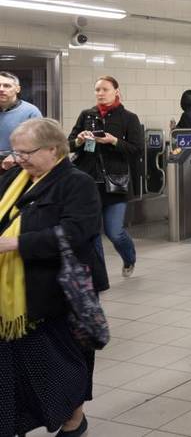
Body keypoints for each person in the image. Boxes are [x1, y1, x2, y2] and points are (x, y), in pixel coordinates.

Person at [0, 118, 108, 437]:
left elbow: (77, 233)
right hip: (14, 294)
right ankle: (14, 420)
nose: (18, 159)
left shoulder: (77, 182)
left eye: (25, 153)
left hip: (56, 294)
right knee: (14, 367)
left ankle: (74, 418)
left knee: (61, 365)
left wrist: (18, 243)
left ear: (53, 149)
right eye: (14, 152)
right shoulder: (15, 178)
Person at [69, 76, 144, 278]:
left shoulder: (129, 118)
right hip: (88, 182)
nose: (100, 93)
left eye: (104, 89)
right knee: (92, 233)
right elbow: (68, 144)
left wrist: (114, 141)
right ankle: (98, 274)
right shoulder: (86, 115)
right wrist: (79, 139)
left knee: (114, 232)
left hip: (115, 184)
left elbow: (137, 150)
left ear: (116, 91)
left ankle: (129, 258)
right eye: (97, 90)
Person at [0, 72, 41, 163]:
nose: (1, 89)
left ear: (17, 89)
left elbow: (39, 142)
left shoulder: (31, 112)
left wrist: (16, 156)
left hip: (19, 164)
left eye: (6, 86)